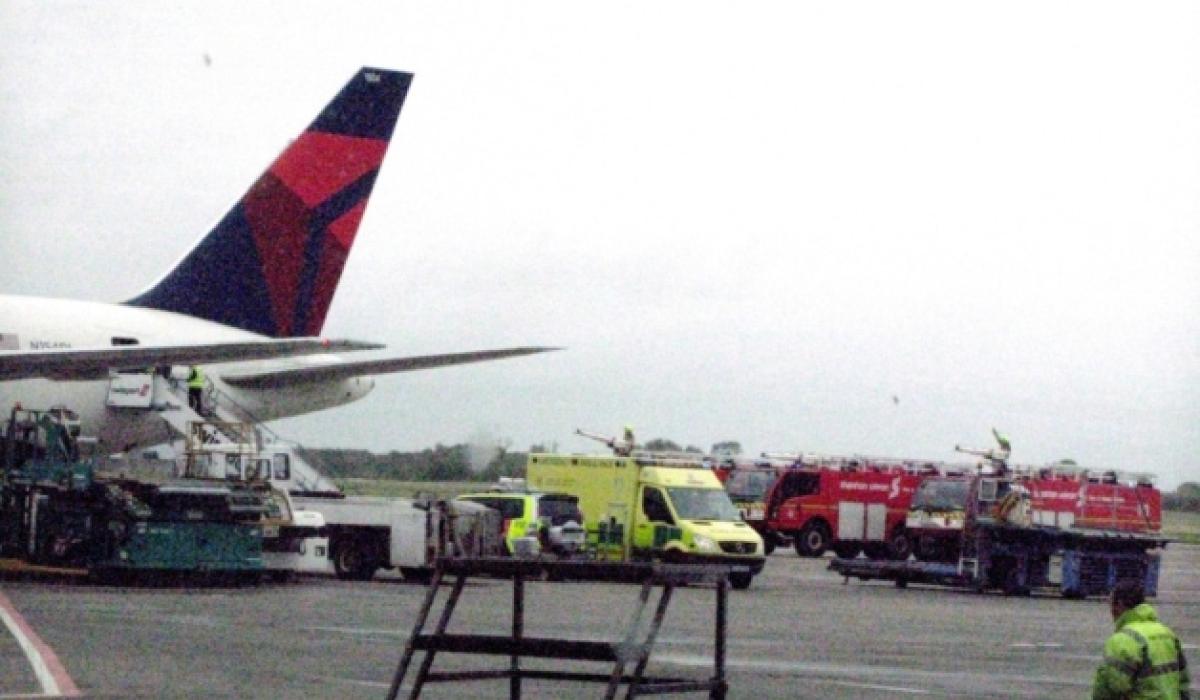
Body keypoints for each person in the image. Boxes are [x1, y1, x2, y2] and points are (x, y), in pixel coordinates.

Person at [1092, 579, 1190, 699]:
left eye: (1111, 604)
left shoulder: (1122, 640)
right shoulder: (1167, 634)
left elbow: (1113, 686)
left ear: (1120, 604)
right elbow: (1183, 680)